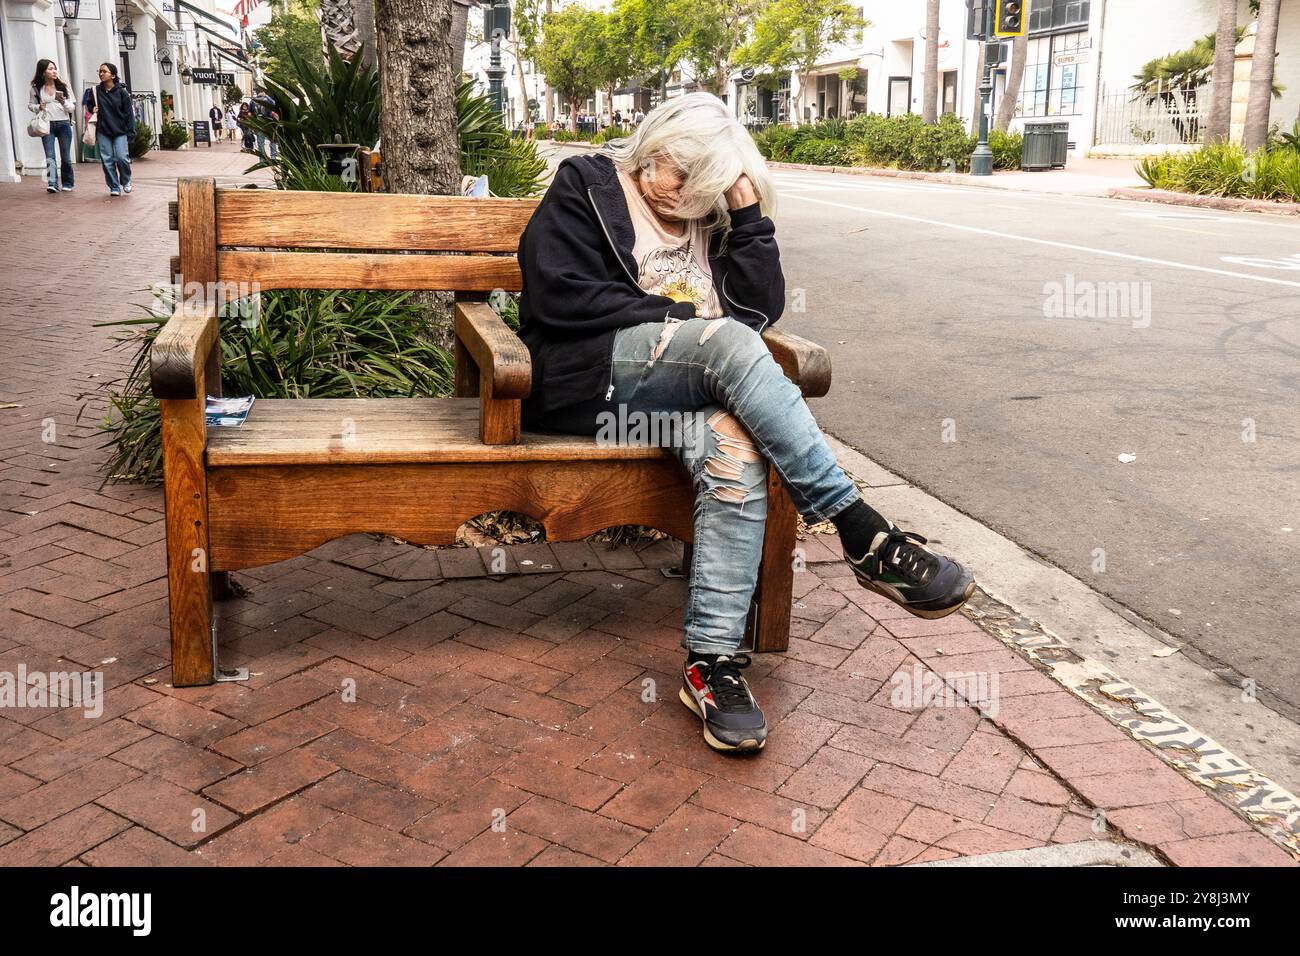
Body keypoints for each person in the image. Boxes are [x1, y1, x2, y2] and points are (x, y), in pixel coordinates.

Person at [515, 92, 975, 753]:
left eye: (706, 187)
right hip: (591, 385)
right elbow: (559, 294)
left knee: (734, 447)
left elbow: (760, 307)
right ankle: (861, 532)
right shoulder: (587, 186)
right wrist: (684, 323)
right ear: (655, 146)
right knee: (727, 341)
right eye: (681, 176)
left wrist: (744, 207)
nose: (685, 196)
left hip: (689, 394)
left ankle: (713, 666)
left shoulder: (711, 216)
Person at [28, 59, 75, 193]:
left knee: (66, 156)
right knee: (50, 155)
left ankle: (67, 183)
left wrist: (63, 101)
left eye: (54, 68)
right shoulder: (36, 89)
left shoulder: (64, 86)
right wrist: (38, 107)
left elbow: (72, 108)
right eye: (50, 69)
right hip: (47, 124)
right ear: (43, 72)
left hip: (64, 124)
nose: (54, 71)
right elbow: (30, 105)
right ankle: (53, 183)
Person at [88, 62, 135, 196]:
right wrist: (92, 108)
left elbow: (129, 114)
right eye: (100, 71)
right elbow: (89, 103)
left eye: (104, 71)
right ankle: (114, 186)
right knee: (107, 160)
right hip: (103, 131)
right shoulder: (95, 91)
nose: (101, 73)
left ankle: (126, 181)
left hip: (120, 131)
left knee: (121, 158)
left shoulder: (122, 92)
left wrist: (131, 132)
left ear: (113, 75)